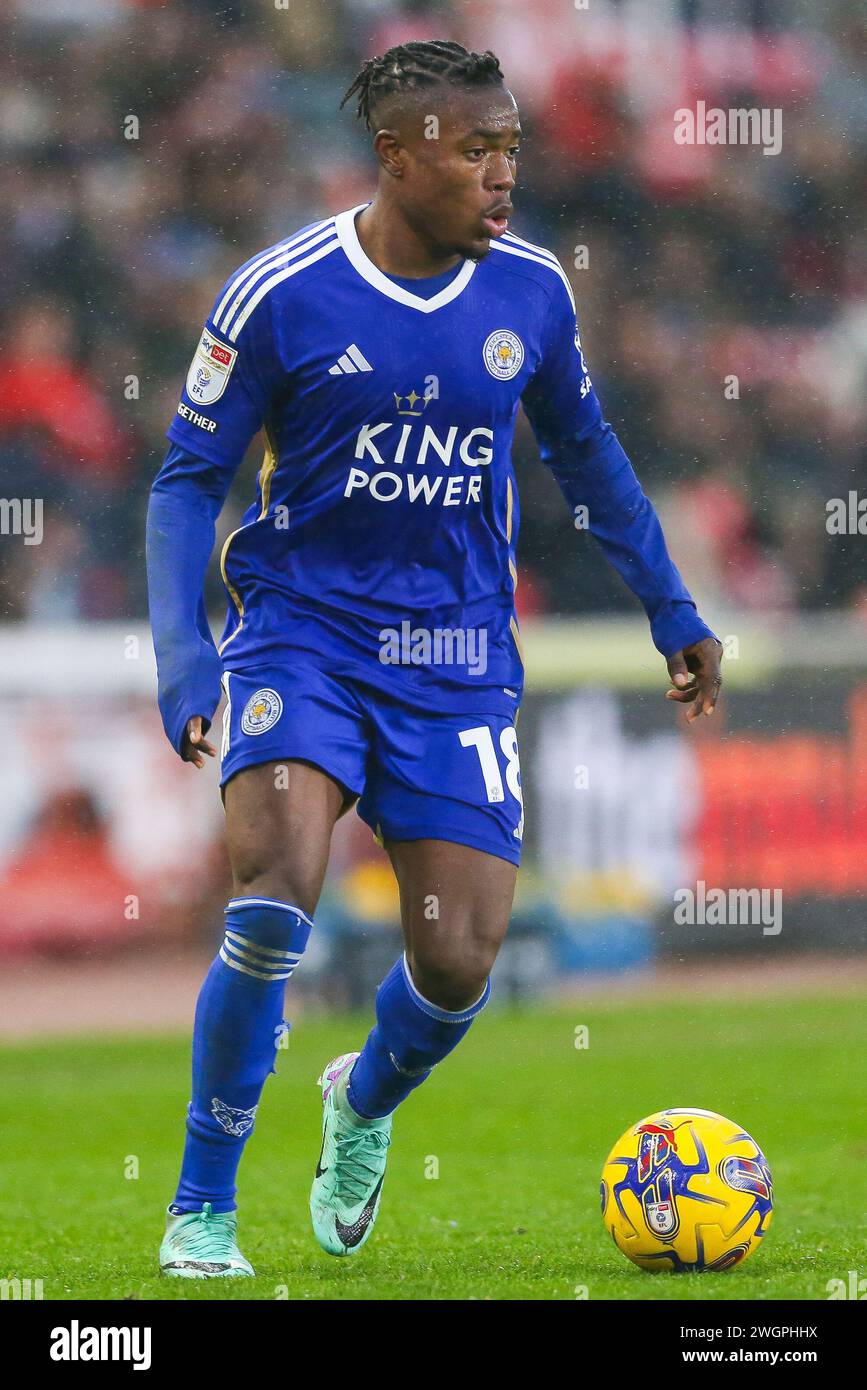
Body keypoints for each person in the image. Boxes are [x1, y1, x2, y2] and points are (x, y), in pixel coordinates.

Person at [146, 39, 722, 1277]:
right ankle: (200, 1205)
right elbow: (187, 479)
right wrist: (185, 653)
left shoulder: (533, 293)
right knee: (273, 889)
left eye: (511, 145)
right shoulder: (280, 293)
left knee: (457, 960)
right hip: (301, 635)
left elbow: (591, 460)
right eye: (477, 149)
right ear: (397, 156)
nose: (503, 173)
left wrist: (670, 606)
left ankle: (358, 1101)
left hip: (457, 658)